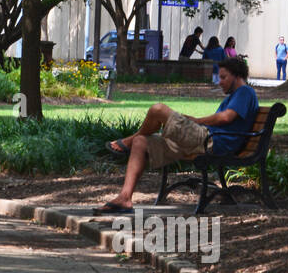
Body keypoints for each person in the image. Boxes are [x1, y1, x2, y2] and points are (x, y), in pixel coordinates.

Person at [99, 56, 258, 211]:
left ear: (237, 76)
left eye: (223, 77)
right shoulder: (234, 96)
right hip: (203, 141)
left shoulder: (245, 92)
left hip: (211, 142)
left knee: (158, 109)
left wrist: (197, 120)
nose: (219, 81)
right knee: (141, 142)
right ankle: (125, 198)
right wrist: (194, 121)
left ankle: (127, 141)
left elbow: (226, 117)